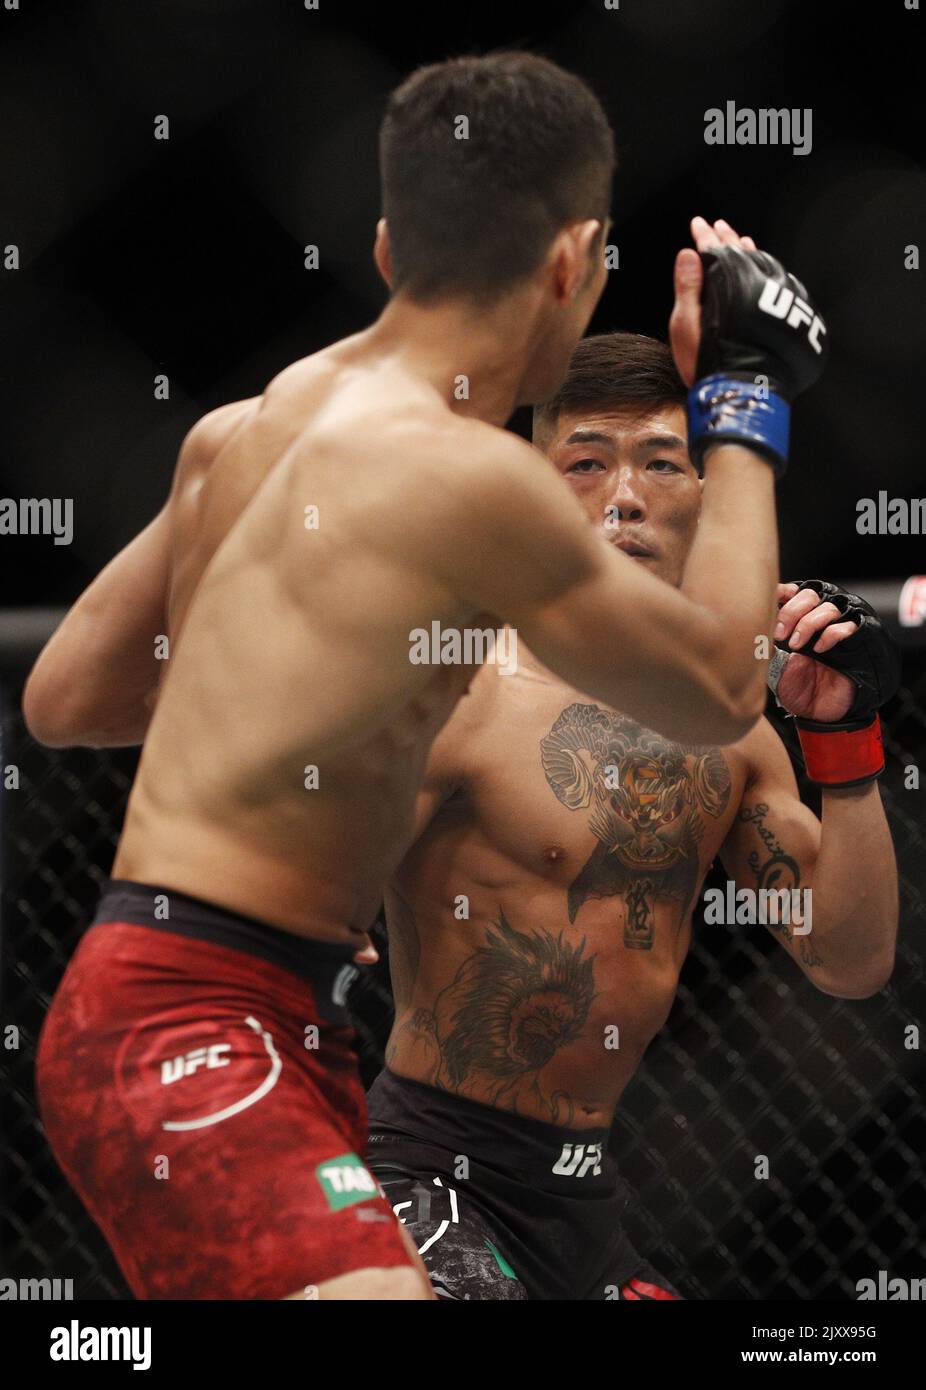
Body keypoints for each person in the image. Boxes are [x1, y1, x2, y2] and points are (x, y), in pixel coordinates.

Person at [26, 50, 824, 1299]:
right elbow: (722, 684)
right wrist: (743, 400)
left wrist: (303, 701)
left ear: (391, 246)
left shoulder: (244, 430)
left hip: (252, 1014)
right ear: (574, 262)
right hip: (193, 1018)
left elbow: (65, 701)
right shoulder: (471, 481)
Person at [366, 331, 900, 1300]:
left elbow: (849, 959)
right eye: (584, 460)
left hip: (581, 1200)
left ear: (706, 489)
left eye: (659, 460)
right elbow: (295, 868)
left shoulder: (733, 734)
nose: (623, 493)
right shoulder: (459, 686)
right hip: (428, 1170)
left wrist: (848, 744)